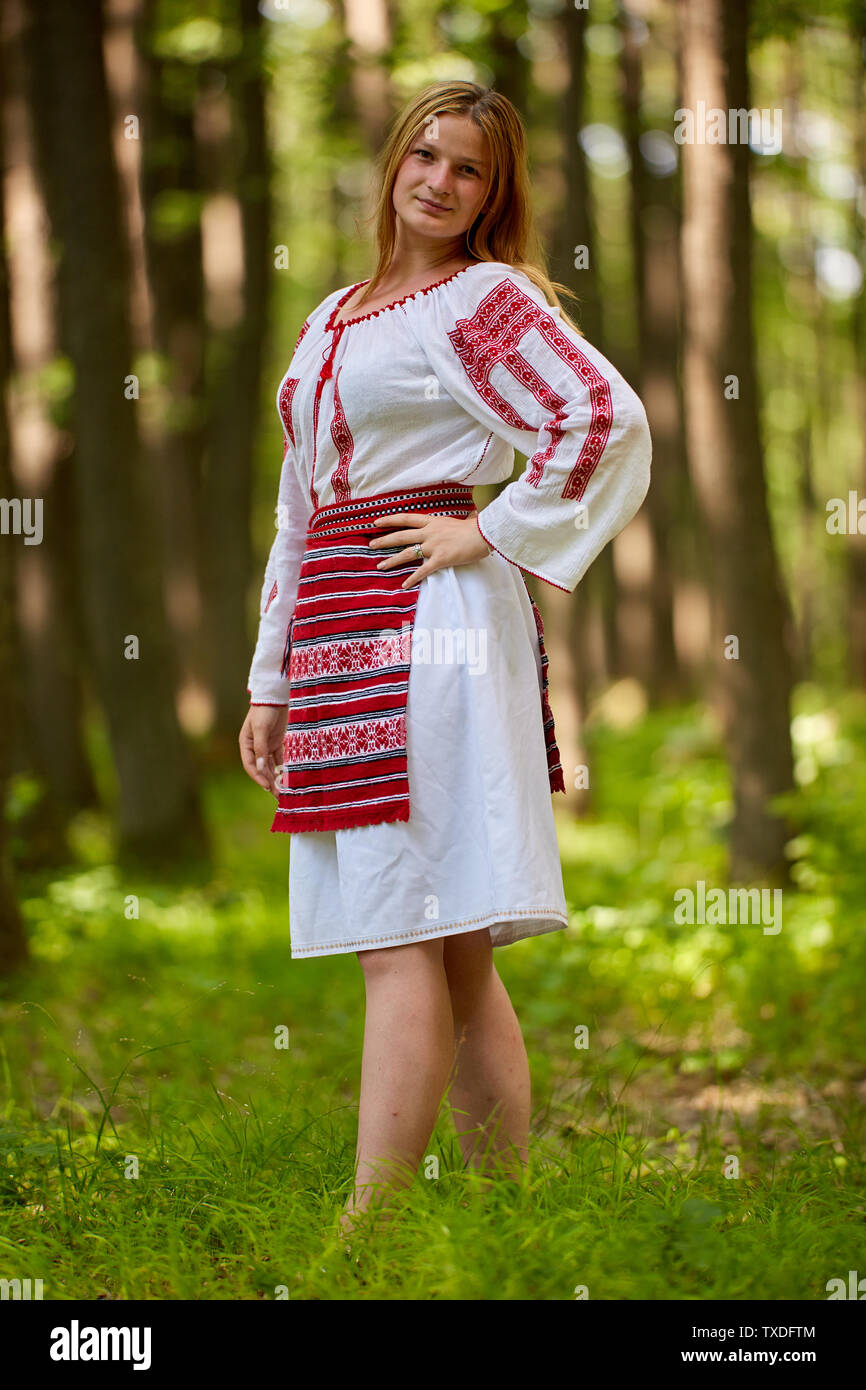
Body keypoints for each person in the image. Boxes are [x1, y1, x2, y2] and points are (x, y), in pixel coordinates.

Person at [238, 80, 652, 1247]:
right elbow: (297, 511)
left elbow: (601, 417)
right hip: (335, 627)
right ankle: (504, 1216)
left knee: (402, 930)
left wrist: (491, 529)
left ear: (491, 194)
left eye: (467, 168)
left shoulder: (480, 297)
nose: (437, 180)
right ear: (393, 161)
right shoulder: (330, 315)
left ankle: (365, 1231)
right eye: (423, 153)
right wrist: (270, 680)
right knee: (452, 945)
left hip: (431, 626)